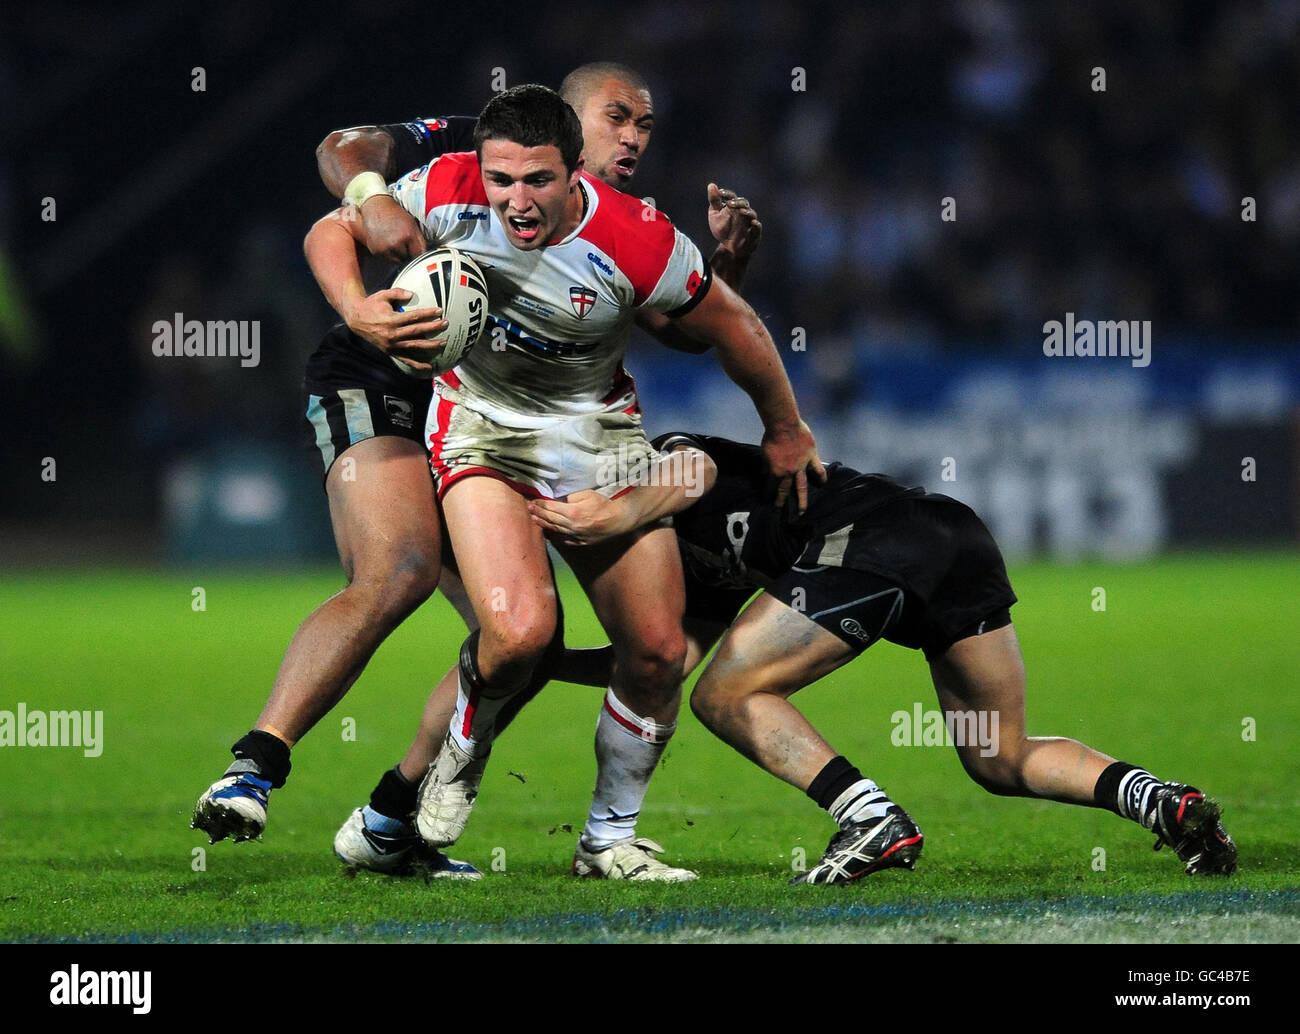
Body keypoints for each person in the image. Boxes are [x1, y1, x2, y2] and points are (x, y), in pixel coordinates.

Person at [189, 64, 764, 881]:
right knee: (401, 568)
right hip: (382, 373)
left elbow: (678, 326)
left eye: (646, 125)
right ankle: (255, 766)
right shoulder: (475, 147)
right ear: (566, 116)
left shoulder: (617, 221)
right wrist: (369, 198)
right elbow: (343, 146)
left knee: (524, 639)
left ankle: (392, 819)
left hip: (497, 413)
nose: (635, 137)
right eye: (619, 118)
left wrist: (727, 273)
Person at [522, 433, 1239, 884]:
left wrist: (605, 515)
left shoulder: (649, 472)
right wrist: (545, 661)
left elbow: (695, 465)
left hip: (874, 538)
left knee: (726, 697)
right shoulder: (692, 571)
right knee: (999, 755)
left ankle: (868, 819)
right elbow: (666, 661)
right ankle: (1165, 803)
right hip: (952, 536)